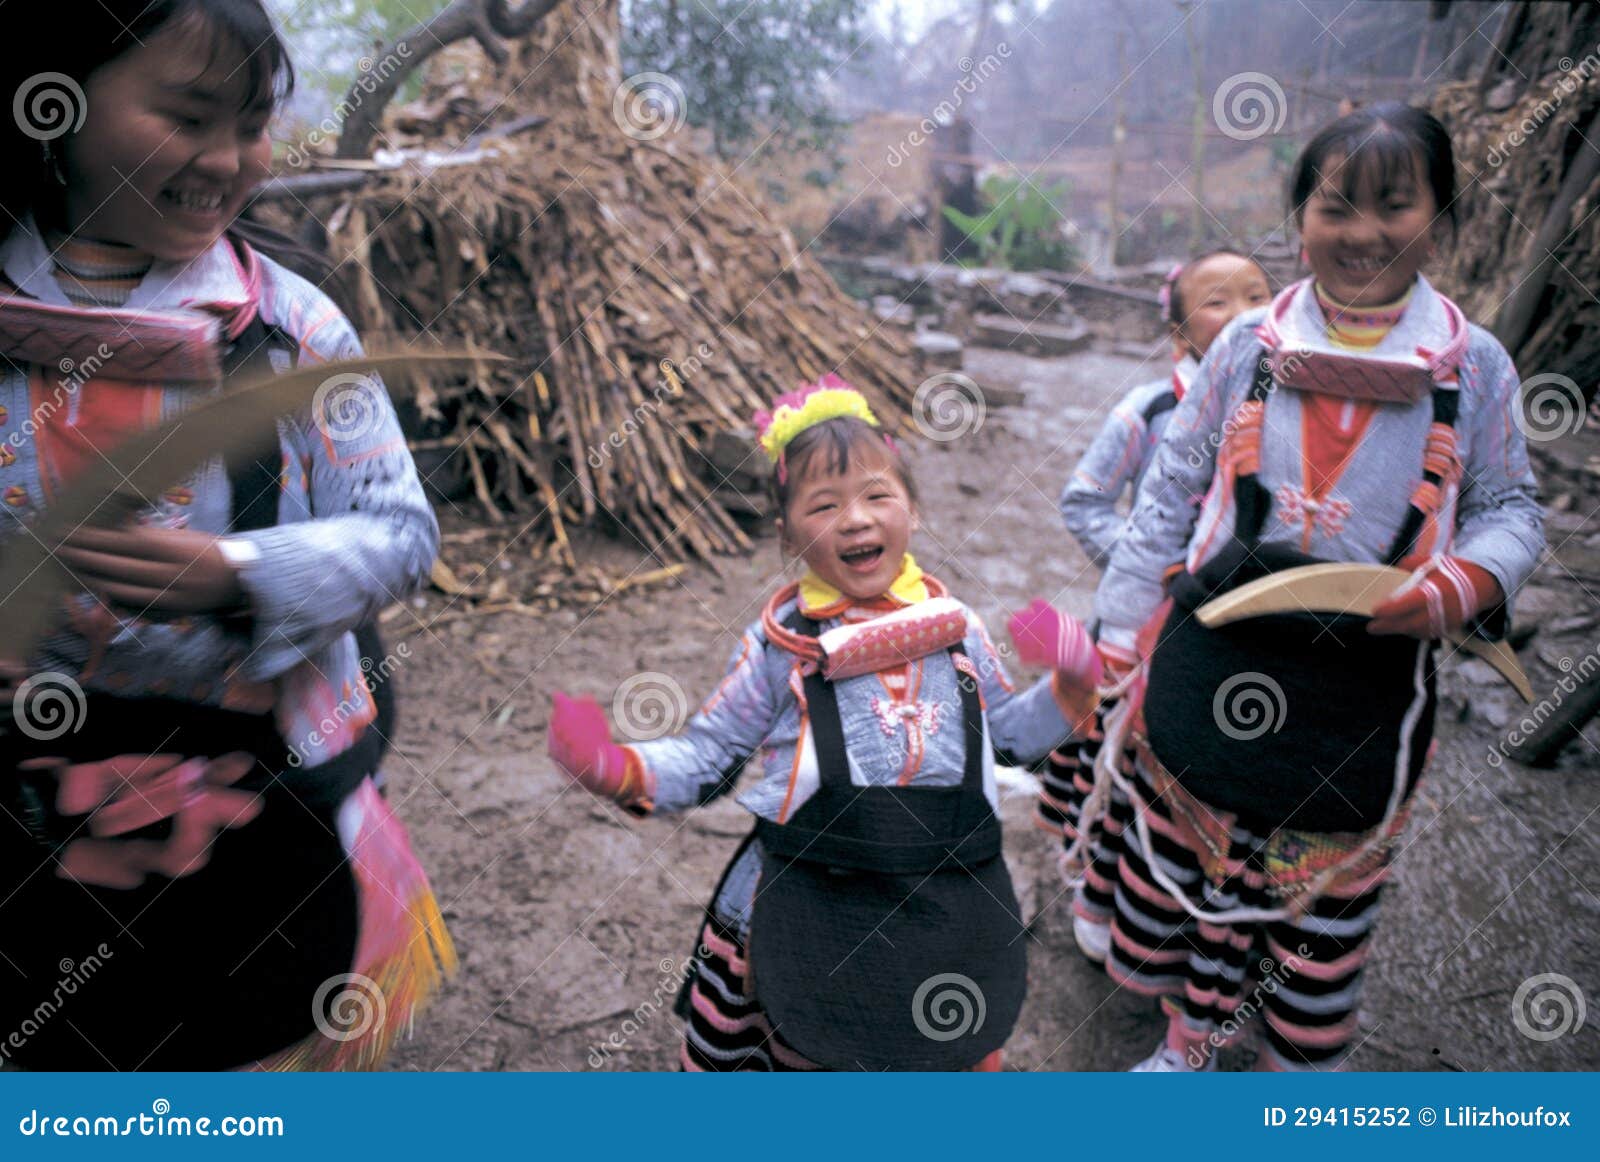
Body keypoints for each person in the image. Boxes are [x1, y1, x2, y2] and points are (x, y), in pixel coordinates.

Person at [0, 0, 453, 1070]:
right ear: (54, 105)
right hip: (32, 802)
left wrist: (238, 575)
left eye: (250, 126)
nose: (228, 159)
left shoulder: (292, 331)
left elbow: (399, 531)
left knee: (236, 1048)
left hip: (256, 800)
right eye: (189, 116)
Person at [1087, 103, 1544, 1071]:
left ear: (1441, 218)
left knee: (1319, 890)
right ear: (1299, 220)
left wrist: (1467, 577)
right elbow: (1171, 485)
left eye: (1394, 204)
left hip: (1363, 682)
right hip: (1216, 652)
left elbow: (1510, 506)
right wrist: (1119, 631)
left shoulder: (1476, 366)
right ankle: (1187, 1043)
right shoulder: (1244, 347)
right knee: (1203, 867)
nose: (1363, 232)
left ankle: (1299, 1070)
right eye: (1336, 207)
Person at [547, 377, 1101, 1071]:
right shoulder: (778, 644)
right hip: (806, 907)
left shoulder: (957, 631)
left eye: (876, 496)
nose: (856, 520)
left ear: (914, 510)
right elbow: (711, 755)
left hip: (941, 904)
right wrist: (616, 767)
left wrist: (1070, 682)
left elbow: (1011, 740)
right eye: (824, 505)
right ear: (786, 534)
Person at [1044, 251, 1272, 963]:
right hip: (1140, 629)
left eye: (1258, 296)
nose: (1243, 315)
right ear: (1178, 334)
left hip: (1230, 636)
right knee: (1116, 764)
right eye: (1217, 302)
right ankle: (1094, 893)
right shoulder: (1148, 411)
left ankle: (1189, 920)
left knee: (1197, 778)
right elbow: (1083, 501)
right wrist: (1157, 572)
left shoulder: (1285, 412)